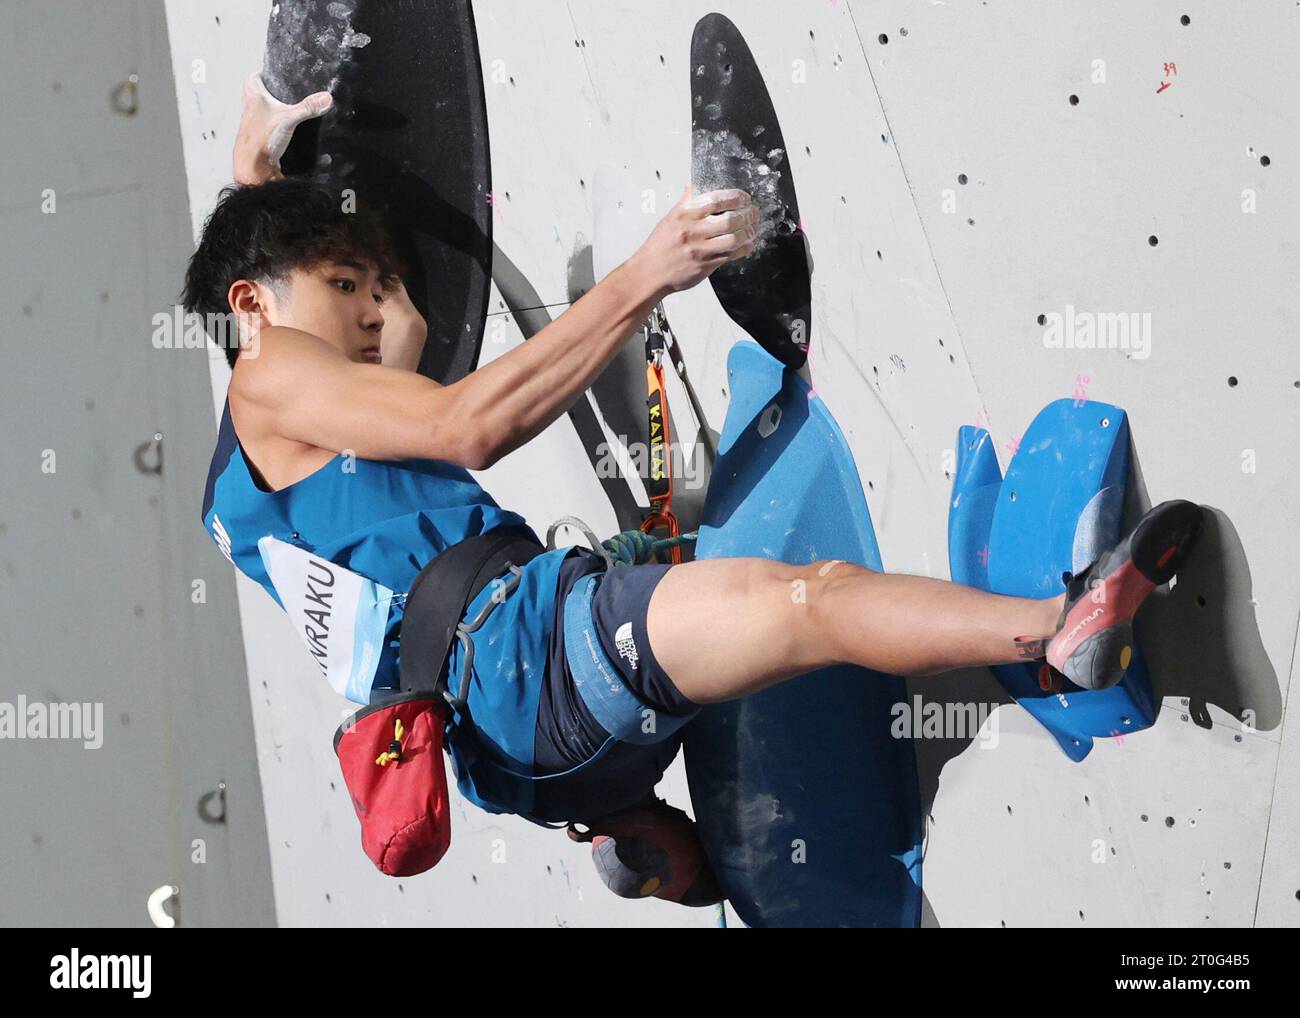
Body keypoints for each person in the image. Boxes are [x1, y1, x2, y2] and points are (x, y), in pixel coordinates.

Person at [188, 76, 1202, 866]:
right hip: (537, 659)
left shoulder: (253, 496)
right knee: (810, 601)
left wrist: (257, 174)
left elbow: (290, 308)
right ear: (251, 308)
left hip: (525, 755)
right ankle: (1053, 632)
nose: (376, 311)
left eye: (376, 287)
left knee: (780, 613)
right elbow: (465, 425)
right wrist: (649, 270)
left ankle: (646, 847)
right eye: (346, 286)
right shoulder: (268, 376)